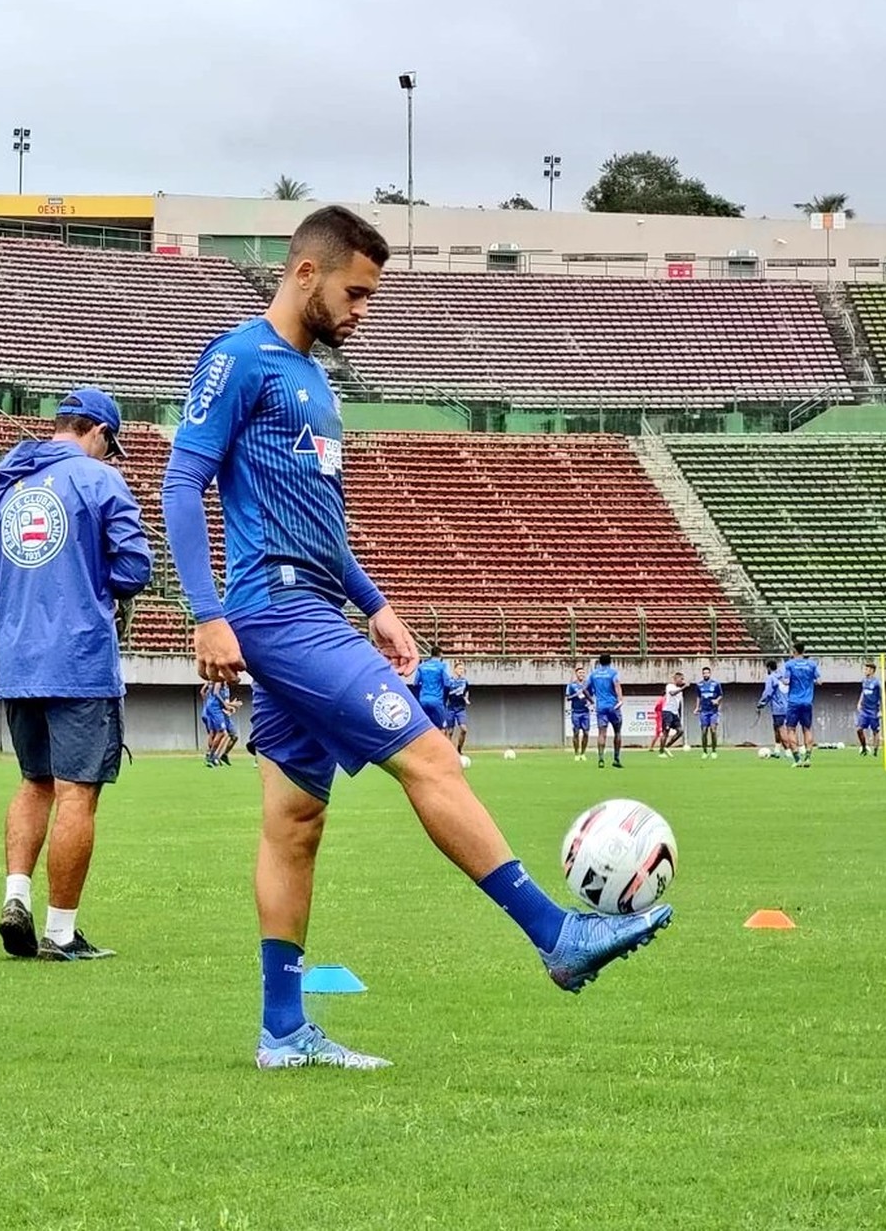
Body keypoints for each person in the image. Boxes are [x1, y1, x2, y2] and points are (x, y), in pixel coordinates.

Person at [160, 206, 670, 1069]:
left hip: (319, 602)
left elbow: (318, 520)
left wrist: (375, 601)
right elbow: (182, 480)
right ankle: (557, 934)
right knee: (431, 757)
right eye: (355, 293)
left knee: (295, 820)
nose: (363, 311)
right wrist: (207, 612)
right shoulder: (241, 357)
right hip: (278, 611)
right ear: (305, 273)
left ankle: (283, 1030)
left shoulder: (317, 383)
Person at [0, 388, 153, 961]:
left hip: (18, 659)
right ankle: (60, 933)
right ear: (97, 431)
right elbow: (134, 564)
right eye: (109, 445)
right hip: (77, 659)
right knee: (78, 792)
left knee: (34, 782)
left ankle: (15, 896)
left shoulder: (7, 484)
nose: (109, 454)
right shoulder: (100, 481)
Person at [783, 641, 822, 768]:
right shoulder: (811, 664)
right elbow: (820, 681)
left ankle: (797, 759)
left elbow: (786, 681)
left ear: (794, 651)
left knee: (791, 729)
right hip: (807, 701)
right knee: (807, 729)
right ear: (804, 651)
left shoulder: (789, 664)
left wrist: (785, 681)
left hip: (793, 702)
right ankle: (808, 758)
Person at [587, 653, 624, 770]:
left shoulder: (594, 674)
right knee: (617, 732)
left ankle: (601, 758)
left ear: (599, 661)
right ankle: (616, 759)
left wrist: (591, 700)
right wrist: (620, 699)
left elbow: (585, 688)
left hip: (601, 707)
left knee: (602, 733)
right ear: (610, 661)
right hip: (613, 706)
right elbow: (617, 685)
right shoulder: (613, 673)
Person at [410, 644, 451, 729]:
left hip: (423, 700)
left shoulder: (422, 666)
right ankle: (440, 742)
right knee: (442, 727)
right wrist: (445, 699)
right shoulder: (442, 666)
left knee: (424, 728)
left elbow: (415, 684)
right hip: (437, 701)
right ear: (440, 654)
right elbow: (447, 684)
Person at [756, 658, 790, 757]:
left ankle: (788, 751)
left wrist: (760, 704)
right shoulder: (782, 677)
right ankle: (777, 750)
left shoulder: (771, 678)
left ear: (769, 668)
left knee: (781, 729)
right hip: (788, 706)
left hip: (778, 708)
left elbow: (767, 693)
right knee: (776, 727)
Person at [696, 665, 724, 759]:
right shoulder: (699, 684)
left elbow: (720, 695)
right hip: (703, 711)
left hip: (713, 711)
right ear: (702, 674)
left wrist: (717, 700)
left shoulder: (716, 684)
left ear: (710, 674)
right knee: (704, 731)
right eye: (704, 673)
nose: (706, 674)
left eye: (707, 673)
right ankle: (704, 751)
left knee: (713, 730)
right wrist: (697, 707)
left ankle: (714, 751)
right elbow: (698, 697)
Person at [564, 663, 591, 761]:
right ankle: (576, 753)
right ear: (576, 674)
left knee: (586, 733)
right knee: (576, 733)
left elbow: (590, 697)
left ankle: (583, 753)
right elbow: (568, 698)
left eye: (583, 673)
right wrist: (576, 694)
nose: (581, 674)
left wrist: (590, 703)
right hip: (576, 712)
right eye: (580, 673)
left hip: (585, 712)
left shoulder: (587, 684)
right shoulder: (571, 685)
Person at [855, 660, 882, 758]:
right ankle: (864, 747)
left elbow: (881, 696)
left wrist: (880, 710)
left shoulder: (877, 683)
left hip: (874, 710)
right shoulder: (864, 681)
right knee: (859, 729)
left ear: (872, 670)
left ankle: (875, 751)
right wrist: (859, 702)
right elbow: (863, 692)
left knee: (875, 731)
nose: (865, 671)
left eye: (867, 669)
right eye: (865, 669)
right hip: (864, 709)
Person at [444, 660, 470, 754]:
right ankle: (449, 752)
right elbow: (445, 694)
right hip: (450, 708)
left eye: (462, 669)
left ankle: (459, 749)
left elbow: (466, 691)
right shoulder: (449, 681)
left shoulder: (465, 681)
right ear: (455, 670)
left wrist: (466, 699)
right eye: (459, 668)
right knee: (450, 731)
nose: (461, 670)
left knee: (464, 729)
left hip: (460, 709)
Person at [659, 673, 686, 758]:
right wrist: (683, 688)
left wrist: (679, 714)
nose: (682, 681)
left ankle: (667, 746)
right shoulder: (670, 686)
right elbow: (672, 693)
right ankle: (661, 751)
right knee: (666, 731)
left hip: (675, 713)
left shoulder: (679, 690)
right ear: (676, 679)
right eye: (681, 679)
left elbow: (679, 703)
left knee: (680, 731)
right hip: (667, 712)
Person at [200, 681, 226, 767]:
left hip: (208, 710)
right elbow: (216, 693)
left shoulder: (211, 683)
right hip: (214, 710)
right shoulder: (219, 679)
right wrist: (225, 705)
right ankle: (212, 756)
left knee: (213, 732)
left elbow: (203, 692)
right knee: (221, 732)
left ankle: (211, 754)